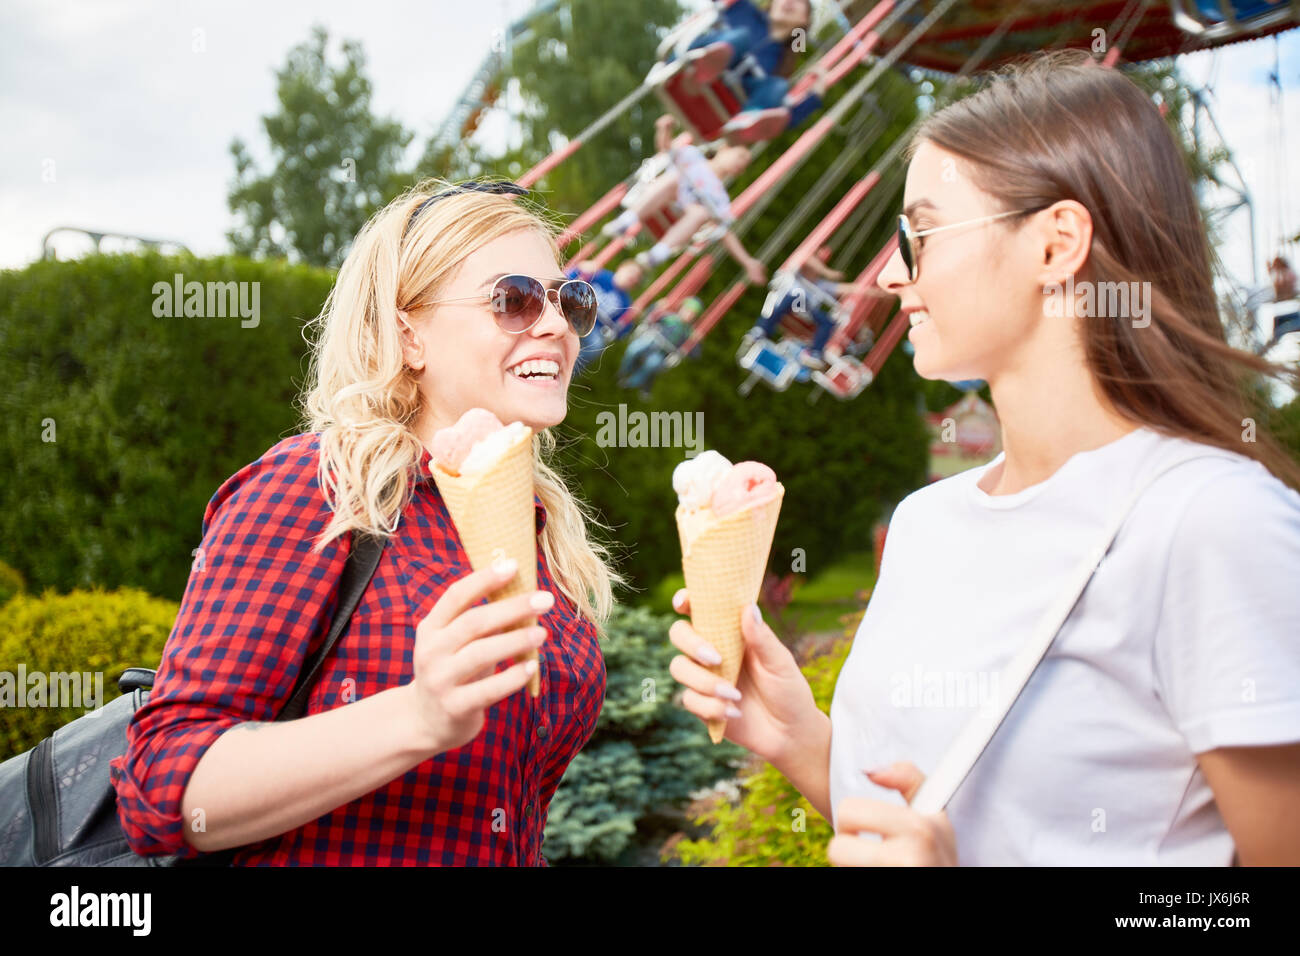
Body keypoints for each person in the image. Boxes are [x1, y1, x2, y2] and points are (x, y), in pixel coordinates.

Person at [667, 51, 1300, 866]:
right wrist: (801, 741)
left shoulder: (1212, 520)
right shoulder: (930, 521)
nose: (892, 275)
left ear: (1055, 243)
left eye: (919, 233)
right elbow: (930, 817)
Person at [110, 179, 625, 865]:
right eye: (515, 300)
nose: (557, 324)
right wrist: (417, 716)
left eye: (570, 300)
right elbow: (163, 787)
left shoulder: (544, 533)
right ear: (409, 333)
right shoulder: (320, 488)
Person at [624, 115, 766, 284]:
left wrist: (747, 262)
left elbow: (724, 231)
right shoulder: (693, 157)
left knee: (702, 214)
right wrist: (665, 129)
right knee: (675, 179)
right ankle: (629, 218)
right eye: (741, 157)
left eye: (744, 165)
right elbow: (666, 148)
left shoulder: (719, 197)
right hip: (663, 193)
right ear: (725, 149)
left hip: (684, 215)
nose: (741, 164)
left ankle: (657, 252)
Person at [671, 0, 827, 139]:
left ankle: (748, 120)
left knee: (778, 85)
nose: (790, 1)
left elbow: (784, 117)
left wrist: (816, 95)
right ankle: (702, 68)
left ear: (804, 20)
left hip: (728, 96)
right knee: (740, 37)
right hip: (691, 62)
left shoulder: (780, 63)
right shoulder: (743, 8)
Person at [740, 246, 858, 369]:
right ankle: (761, 330)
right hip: (789, 302)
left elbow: (848, 288)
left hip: (805, 310)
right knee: (794, 296)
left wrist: (869, 289)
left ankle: (815, 352)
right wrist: (827, 272)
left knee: (828, 322)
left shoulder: (821, 284)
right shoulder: (796, 271)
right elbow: (805, 256)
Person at [568, 258, 644, 373]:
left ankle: (569, 370)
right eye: (631, 272)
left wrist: (630, 320)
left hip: (594, 327)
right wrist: (579, 268)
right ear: (621, 268)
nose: (632, 278)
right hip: (575, 311)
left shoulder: (625, 303)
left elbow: (618, 332)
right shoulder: (598, 274)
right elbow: (567, 279)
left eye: (635, 279)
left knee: (596, 345)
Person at [617, 297, 704, 397]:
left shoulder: (687, 333)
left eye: (692, 314)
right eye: (687, 310)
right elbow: (648, 316)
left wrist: (697, 342)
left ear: (694, 318)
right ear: (681, 308)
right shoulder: (668, 316)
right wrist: (655, 306)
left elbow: (696, 355)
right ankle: (623, 372)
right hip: (650, 340)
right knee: (634, 349)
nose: (688, 315)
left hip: (662, 352)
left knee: (652, 364)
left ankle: (630, 384)